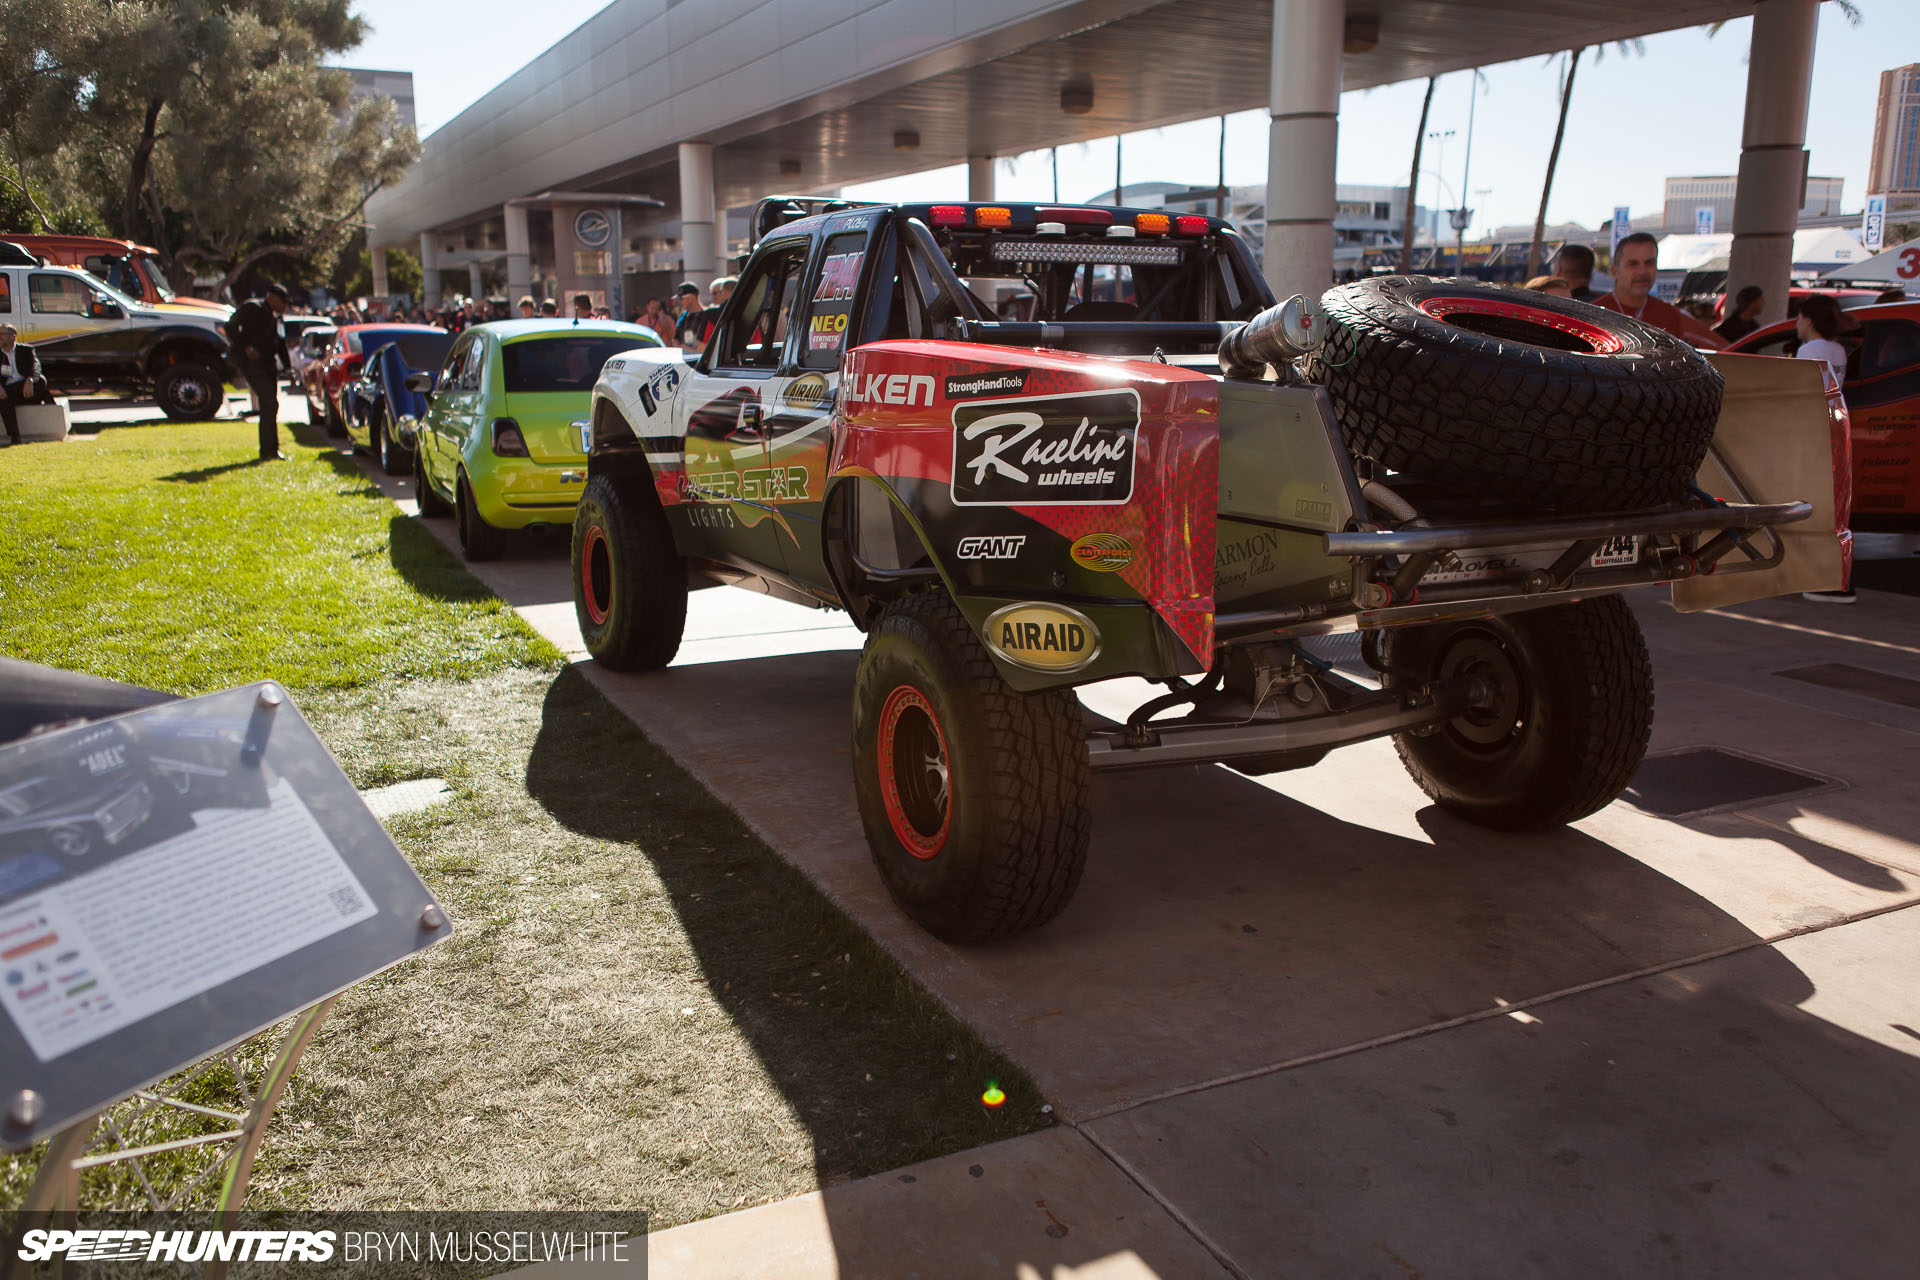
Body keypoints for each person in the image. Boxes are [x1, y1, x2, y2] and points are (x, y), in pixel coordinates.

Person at [1791, 293, 1855, 604]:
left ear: (1809, 320)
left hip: (1810, 431)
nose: (1797, 323)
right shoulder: (1838, 350)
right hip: (1834, 429)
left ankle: (1816, 578)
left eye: (1800, 316)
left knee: (1809, 505)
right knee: (1834, 509)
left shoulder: (1809, 350)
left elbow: (1797, 392)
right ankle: (1836, 576)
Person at [1593, 234, 1724, 349]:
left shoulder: (1669, 315)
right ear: (1615, 271)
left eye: (1649, 263)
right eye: (1633, 264)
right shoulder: (1594, 314)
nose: (1642, 271)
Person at [229, 283, 292, 460]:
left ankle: (271, 450)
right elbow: (230, 326)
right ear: (272, 297)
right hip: (253, 364)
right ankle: (267, 450)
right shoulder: (252, 308)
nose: (284, 306)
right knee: (269, 402)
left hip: (269, 364)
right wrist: (245, 347)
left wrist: (287, 368)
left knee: (271, 406)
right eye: (282, 302)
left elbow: (280, 343)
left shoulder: (275, 317)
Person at [0, 324, 53, 446]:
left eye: (2, 334)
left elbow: (36, 368)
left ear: (13, 336)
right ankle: (15, 437)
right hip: (8, 391)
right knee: (3, 400)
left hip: (28, 389)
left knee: (41, 380)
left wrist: (29, 380)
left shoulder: (26, 350)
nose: (0, 337)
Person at [672, 282, 708, 352]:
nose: (679, 302)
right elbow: (675, 338)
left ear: (691, 297)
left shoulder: (707, 316)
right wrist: (677, 346)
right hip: (686, 360)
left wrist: (691, 350)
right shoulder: (683, 317)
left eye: (681, 298)